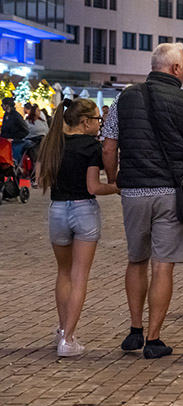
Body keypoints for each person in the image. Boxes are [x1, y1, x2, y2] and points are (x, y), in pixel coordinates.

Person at [101, 43, 183, 359]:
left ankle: (134, 331)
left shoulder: (123, 99)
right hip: (171, 192)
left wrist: (115, 178)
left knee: (136, 259)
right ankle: (154, 339)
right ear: (175, 69)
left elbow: (108, 146)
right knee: (163, 266)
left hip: (133, 192)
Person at [36, 99, 120, 357]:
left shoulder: (51, 145)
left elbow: (39, 179)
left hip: (58, 210)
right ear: (85, 123)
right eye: (97, 120)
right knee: (79, 276)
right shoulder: (90, 147)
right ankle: (68, 339)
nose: (100, 124)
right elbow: (94, 187)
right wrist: (119, 187)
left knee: (63, 273)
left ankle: (62, 331)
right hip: (84, 210)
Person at [1, 96, 30, 163]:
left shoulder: (16, 116)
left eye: (3, 105)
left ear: (7, 105)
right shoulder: (6, 115)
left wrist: (14, 138)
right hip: (6, 142)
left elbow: (25, 130)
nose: (1, 106)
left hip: (15, 144)